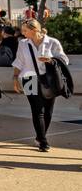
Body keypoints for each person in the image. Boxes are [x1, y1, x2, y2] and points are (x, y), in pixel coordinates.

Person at [13, 18, 71, 152]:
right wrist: (15, 78)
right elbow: (19, 62)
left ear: (34, 30)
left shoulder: (52, 42)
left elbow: (64, 60)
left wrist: (50, 61)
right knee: (37, 109)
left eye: (25, 30)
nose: (22, 33)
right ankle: (43, 141)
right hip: (28, 79)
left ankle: (40, 137)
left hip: (49, 79)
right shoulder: (23, 43)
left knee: (48, 111)